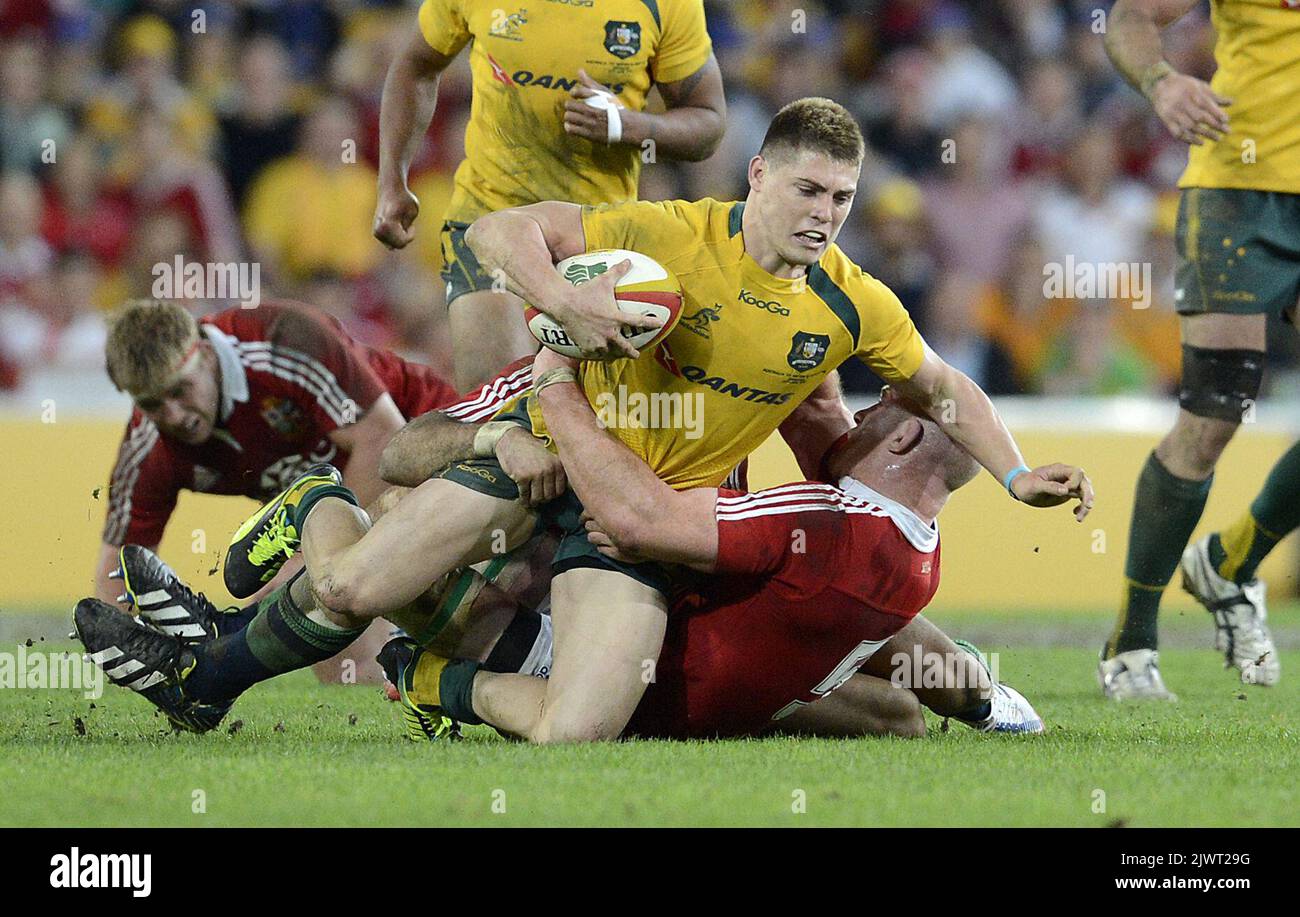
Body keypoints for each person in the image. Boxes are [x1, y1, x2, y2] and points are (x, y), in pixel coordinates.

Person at [216, 98, 1090, 745]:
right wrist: (566, 303)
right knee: (354, 586)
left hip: (637, 517)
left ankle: (424, 668)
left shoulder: (850, 305)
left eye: (843, 198)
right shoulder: (669, 237)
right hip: (558, 446)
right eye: (808, 189)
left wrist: (1016, 475)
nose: (825, 214)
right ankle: (313, 518)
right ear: (758, 176)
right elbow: (498, 232)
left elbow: (944, 390)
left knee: (580, 730)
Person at [73, 385, 1044, 740]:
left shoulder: (741, 395)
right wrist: (526, 422)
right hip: (518, 581)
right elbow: (409, 447)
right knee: (376, 575)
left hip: (633, 611)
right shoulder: (566, 360)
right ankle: (320, 528)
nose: (853, 418)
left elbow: (862, 582)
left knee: (895, 715)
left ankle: (223, 645)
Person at [96, 299, 459, 682]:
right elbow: (118, 565)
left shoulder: (281, 340)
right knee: (340, 655)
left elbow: (383, 442)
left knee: (320, 590)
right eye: (153, 404)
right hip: (360, 512)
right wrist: (126, 660)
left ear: (203, 354)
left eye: (180, 390)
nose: (175, 416)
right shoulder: (150, 442)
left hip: (435, 444)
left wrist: (299, 563)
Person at [372, 0, 726, 390]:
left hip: (596, 238)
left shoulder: (666, 5)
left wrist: (629, 125)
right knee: (500, 408)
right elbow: (416, 65)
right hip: (489, 216)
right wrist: (392, 182)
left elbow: (708, 121)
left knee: (590, 419)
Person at [1100, 0, 1297, 698]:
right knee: (1214, 415)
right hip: (1241, 197)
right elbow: (1130, 17)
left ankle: (1227, 561)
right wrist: (1163, 83)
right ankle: (1132, 641)